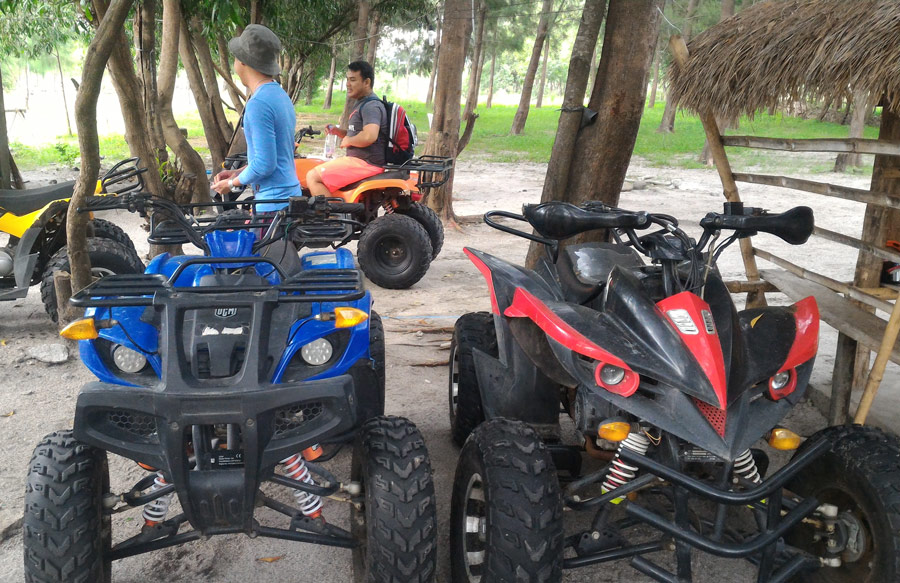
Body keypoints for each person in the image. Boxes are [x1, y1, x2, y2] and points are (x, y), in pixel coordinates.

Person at [212, 24, 300, 212]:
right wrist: (236, 172)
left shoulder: (258, 104)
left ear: (243, 62)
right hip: (287, 198)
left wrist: (232, 183)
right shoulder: (280, 95)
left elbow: (265, 164)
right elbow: (274, 156)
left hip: (273, 205)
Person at [306, 60, 387, 196]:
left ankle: (330, 216)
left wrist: (349, 140)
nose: (348, 84)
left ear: (367, 82)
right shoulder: (362, 103)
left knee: (313, 176)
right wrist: (339, 132)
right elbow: (358, 134)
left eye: (353, 80)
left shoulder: (371, 106)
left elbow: (369, 136)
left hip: (365, 163)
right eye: (347, 79)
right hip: (361, 161)